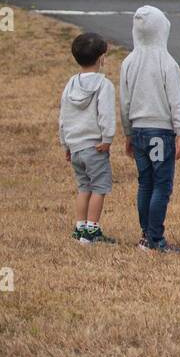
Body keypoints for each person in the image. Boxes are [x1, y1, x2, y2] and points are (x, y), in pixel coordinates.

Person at [121, 6, 180, 254]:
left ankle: (145, 235)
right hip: (161, 132)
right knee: (162, 185)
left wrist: (128, 133)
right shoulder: (168, 63)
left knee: (145, 183)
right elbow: (176, 101)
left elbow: (124, 101)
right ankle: (155, 240)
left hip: (138, 130)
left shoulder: (128, 62)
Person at [58, 32, 117, 245]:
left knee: (84, 187)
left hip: (75, 147)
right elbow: (106, 114)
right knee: (99, 187)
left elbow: (63, 116)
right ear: (102, 58)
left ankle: (80, 227)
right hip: (95, 146)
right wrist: (107, 138)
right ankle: (92, 231)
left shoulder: (71, 84)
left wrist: (65, 143)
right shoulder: (104, 85)